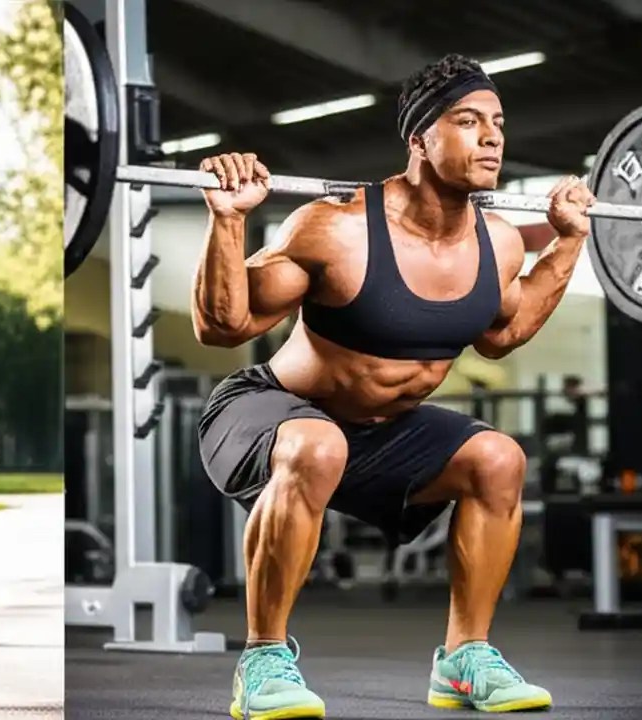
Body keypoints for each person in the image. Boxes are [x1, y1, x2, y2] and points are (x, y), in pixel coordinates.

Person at [194, 54, 593, 718]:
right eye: (468, 121)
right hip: (267, 413)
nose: (491, 137)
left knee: (499, 460)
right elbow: (222, 326)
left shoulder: (497, 244)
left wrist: (569, 241)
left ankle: (464, 660)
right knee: (317, 444)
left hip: (377, 437)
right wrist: (228, 221)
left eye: (497, 123)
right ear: (420, 140)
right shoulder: (336, 229)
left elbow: (506, 330)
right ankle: (262, 660)